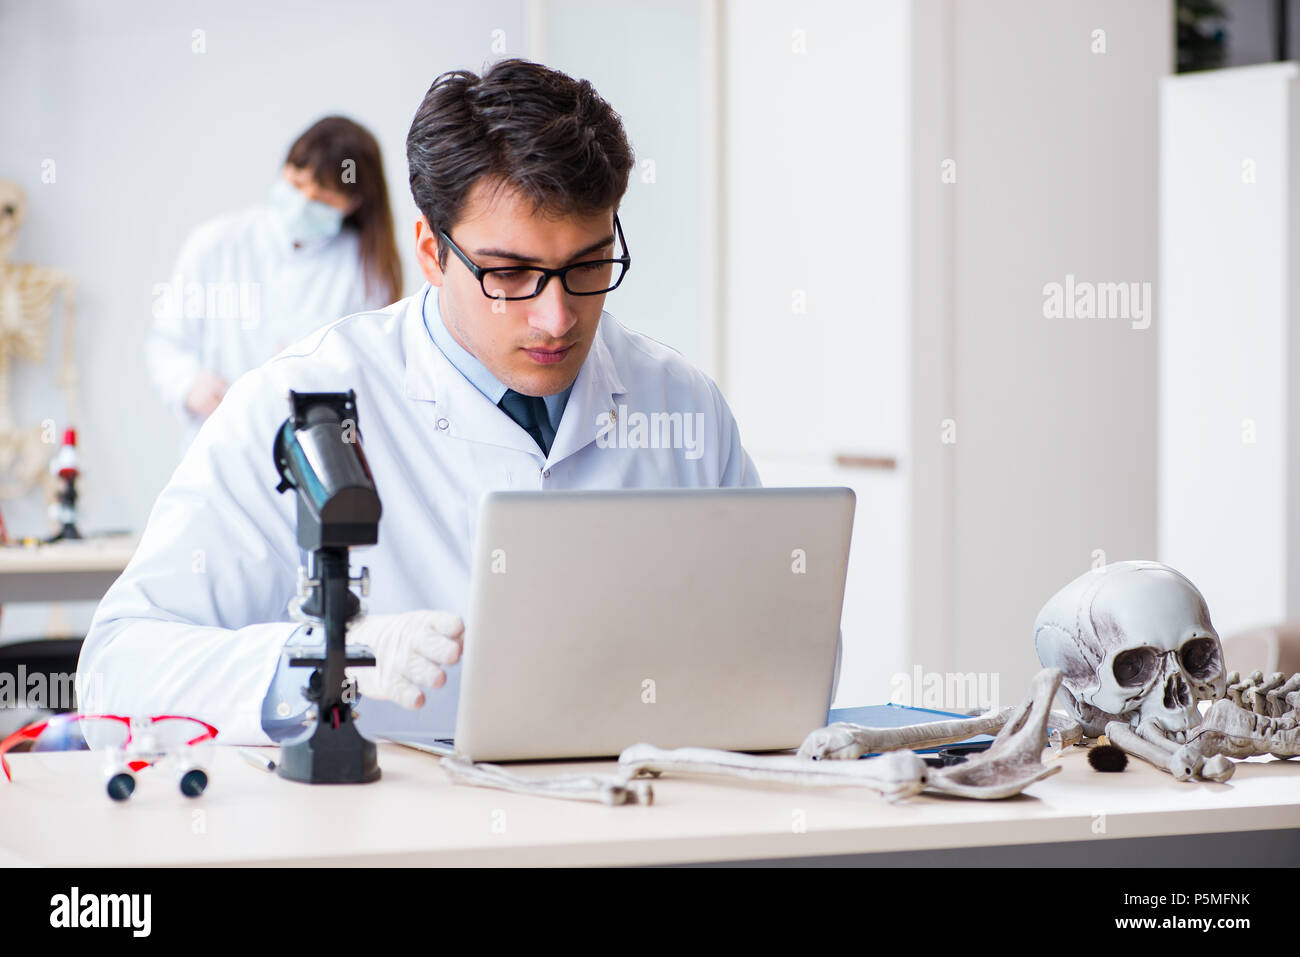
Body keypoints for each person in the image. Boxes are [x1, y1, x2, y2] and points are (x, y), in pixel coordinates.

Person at [81, 59, 764, 745]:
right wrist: (323, 660)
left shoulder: (682, 406)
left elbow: (779, 652)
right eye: (510, 273)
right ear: (433, 253)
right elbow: (117, 669)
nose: (557, 318)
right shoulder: (299, 404)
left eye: (586, 266)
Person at [146, 116, 402, 451]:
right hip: (218, 441)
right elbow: (168, 342)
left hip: (313, 450)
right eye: (297, 184)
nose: (304, 202)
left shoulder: (365, 268)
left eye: (323, 198)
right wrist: (189, 385)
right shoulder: (216, 243)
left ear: (353, 203)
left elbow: (370, 373)